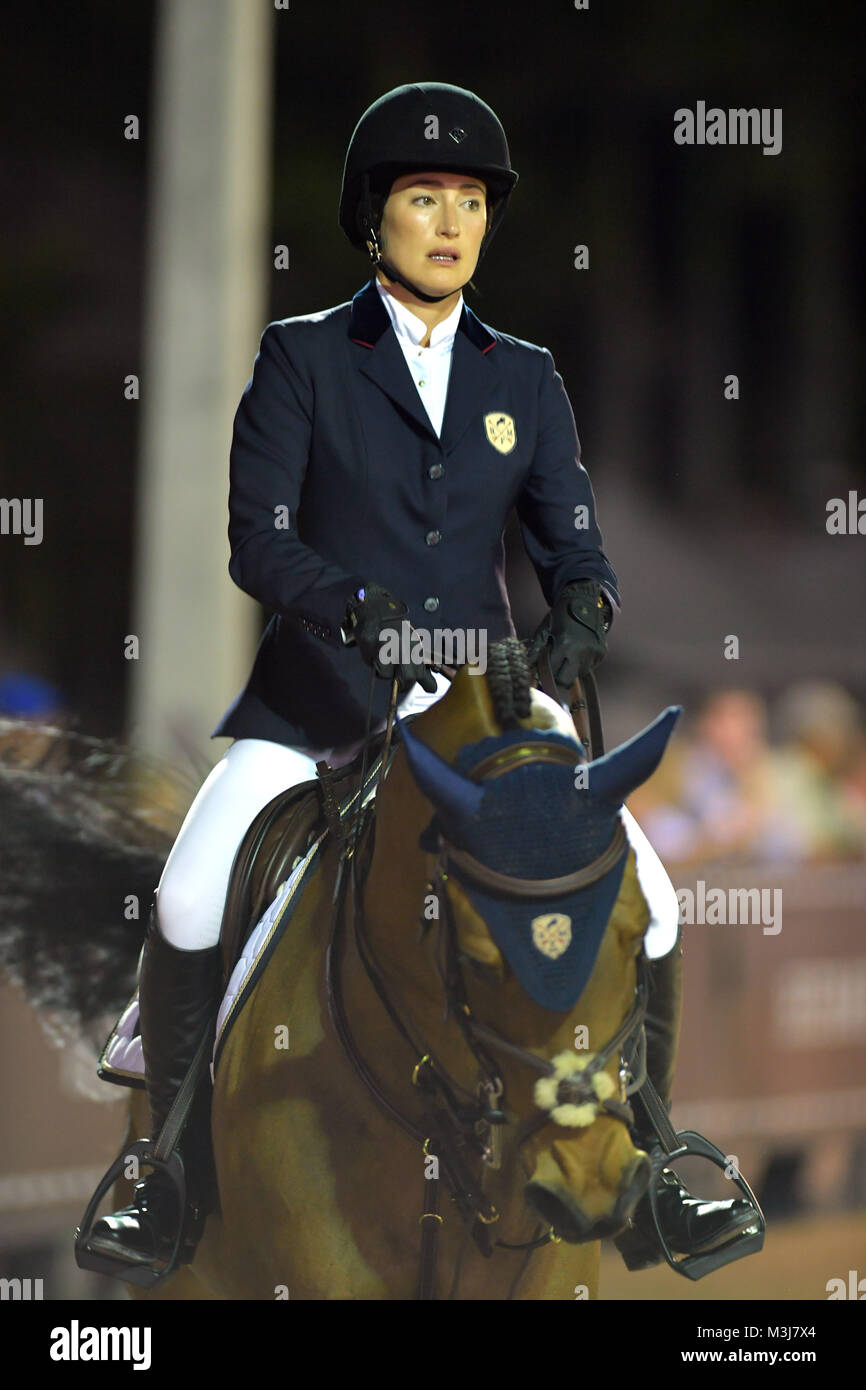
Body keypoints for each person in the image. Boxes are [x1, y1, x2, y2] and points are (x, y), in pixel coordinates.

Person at [85, 81, 752, 1278]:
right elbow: (257, 537)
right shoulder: (301, 358)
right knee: (190, 893)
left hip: (488, 702)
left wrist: (584, 608)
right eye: (420, 198)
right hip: (323, 701)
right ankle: (166, 1172)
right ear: (374, 217)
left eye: (467, 202)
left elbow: (572, 543)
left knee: (651, 892)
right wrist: (352, 607)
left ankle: (653, 1161)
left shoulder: (525, 375)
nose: (449, 222)